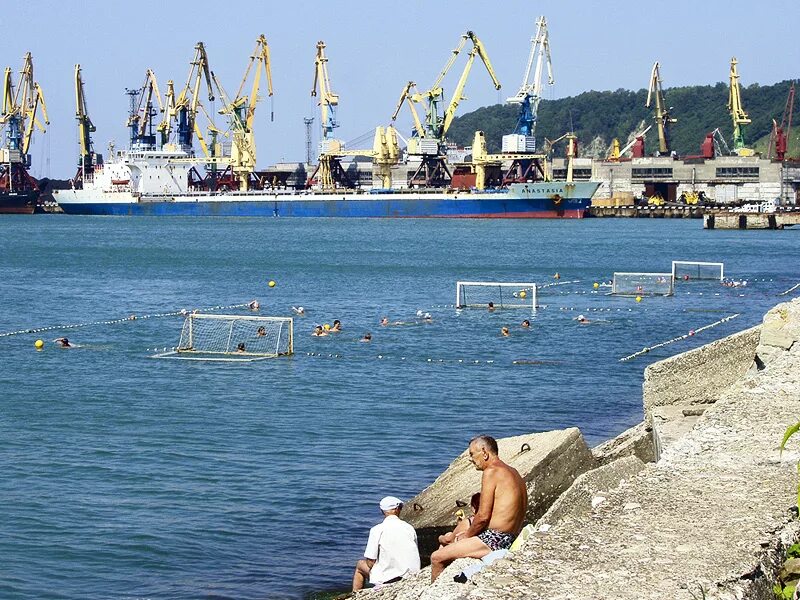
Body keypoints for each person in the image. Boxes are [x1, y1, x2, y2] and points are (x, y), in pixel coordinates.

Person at [429, 435, 527, 582]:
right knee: (453, 538)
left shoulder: (491, 472)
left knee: (437, 557)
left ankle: (435, 591)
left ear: (484, 452)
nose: (471, 459)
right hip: (510, 536)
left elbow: (482, 516)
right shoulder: (513, 472)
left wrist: (466, 536)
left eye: (472, 454)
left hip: (495, 539)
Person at [352, 496, 420, 591]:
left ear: (382, 511)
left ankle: (356, 595)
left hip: (389, 580)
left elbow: (370, 562)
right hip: (412, 576)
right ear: (397, 509)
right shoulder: (409, 528)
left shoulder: (377, 530)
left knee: (360, 565)